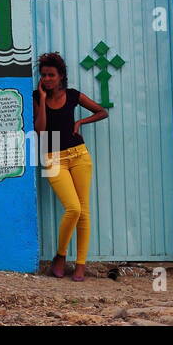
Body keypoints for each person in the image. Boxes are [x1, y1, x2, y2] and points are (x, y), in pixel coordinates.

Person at [33, 51, 108, 281]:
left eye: (51, 75)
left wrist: (81, 121)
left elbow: (102, 112)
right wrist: (44, 101)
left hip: (79, 154)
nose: (47, 79)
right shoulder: (37, 97)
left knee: (83, 211)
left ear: (61, 76)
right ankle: (60, 255)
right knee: (73, 209)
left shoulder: (74, 95)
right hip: (52, 154)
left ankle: (81, 265)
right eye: (44, 75)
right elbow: (40, 131)